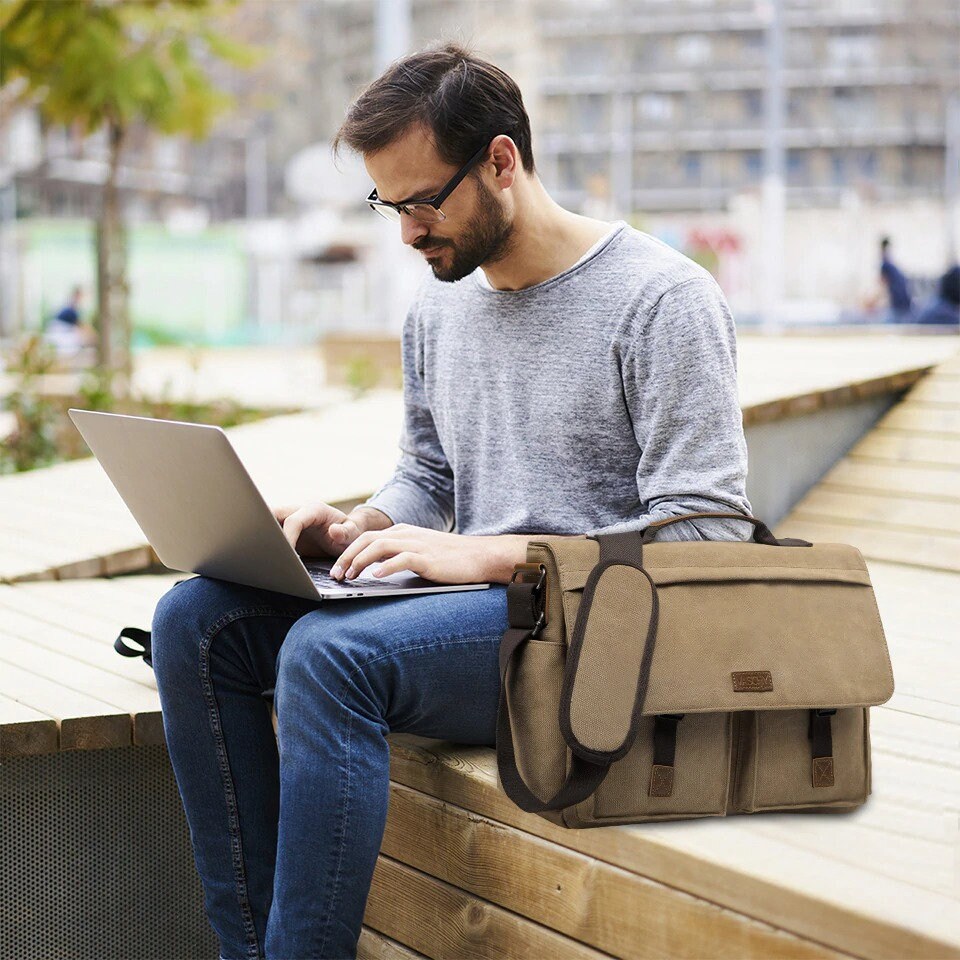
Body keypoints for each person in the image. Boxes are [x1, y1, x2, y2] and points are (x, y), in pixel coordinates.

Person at [150, 42, 754, 960]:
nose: (406, 232)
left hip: (598, 627)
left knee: (326, 657)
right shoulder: (441, 309)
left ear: (501, 162)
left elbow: (710, 534)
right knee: (195, 619)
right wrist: (361, 525)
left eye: (422, 201)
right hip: (476, 612)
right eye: (388, 205)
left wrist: (488, 555)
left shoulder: (661, 301)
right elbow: (428, 475)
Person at [43, 284, 96, 359]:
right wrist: (94, 337)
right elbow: (82, 325)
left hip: (60, 334)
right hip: (59, 336)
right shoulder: (71, 308)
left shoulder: (71, 307)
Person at [879, 236, 914, 323]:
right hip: (900, 302)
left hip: (899, 302)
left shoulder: (886, 264)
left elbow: (883, 284)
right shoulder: (888, 264)